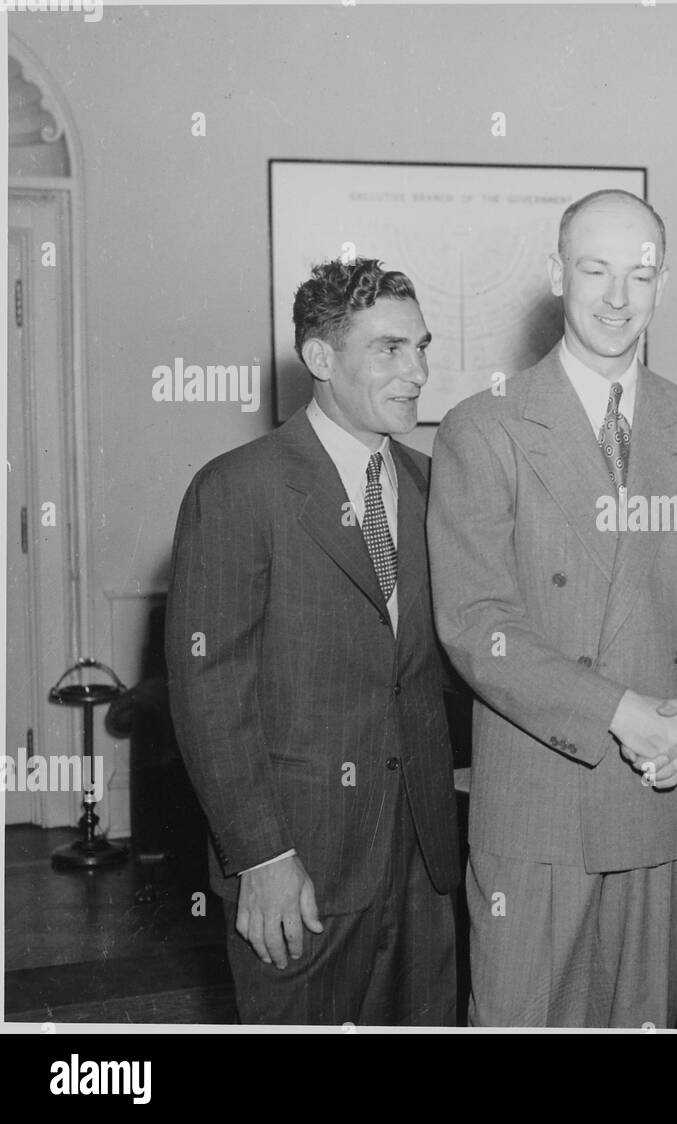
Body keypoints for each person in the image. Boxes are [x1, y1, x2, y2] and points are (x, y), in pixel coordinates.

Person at [428, 189, 677, 1028]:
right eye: (593, 270)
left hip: (662, 802)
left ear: (664, 283)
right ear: (555, 274)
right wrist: (620, 713)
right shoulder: (483, 428)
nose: (614, 297)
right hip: (541, 808)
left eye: (637, 276)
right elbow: (478, 626)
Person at [166, 258, 461, 1025]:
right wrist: (261, 858)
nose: (418, 371)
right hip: (300, 865)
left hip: (423, 863)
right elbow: (209, 693)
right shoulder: (237, 488)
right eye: (390, 350)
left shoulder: (435, 487)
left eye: (421, 347)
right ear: (322, 359)